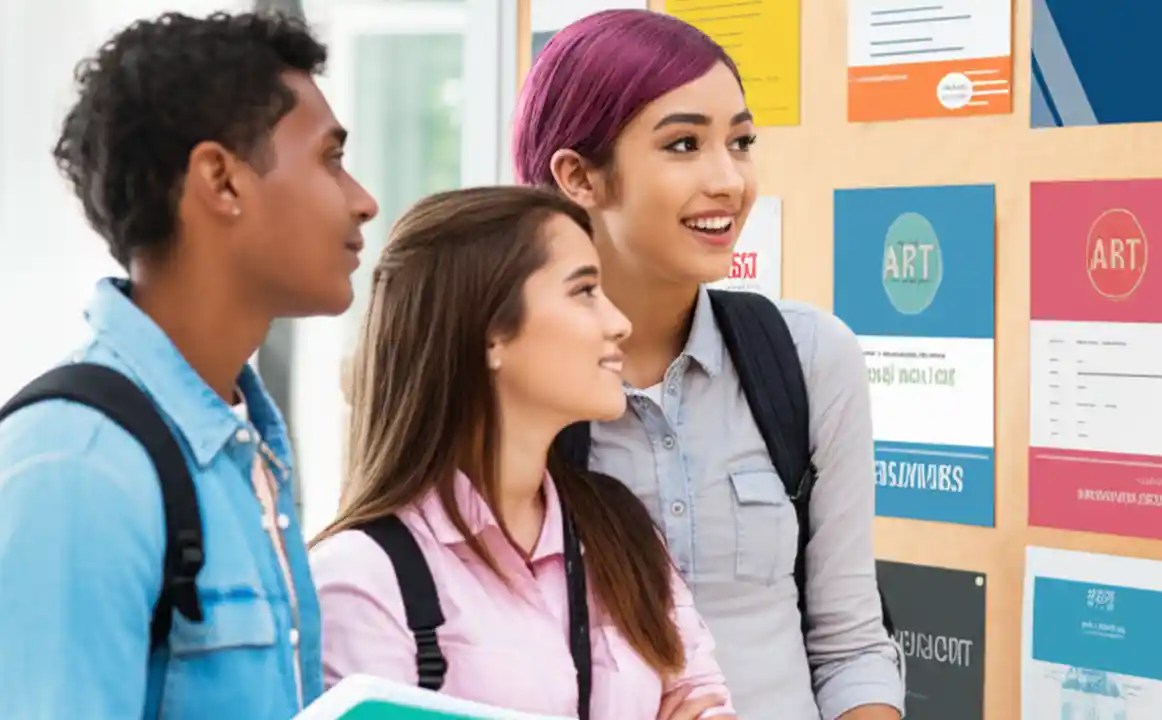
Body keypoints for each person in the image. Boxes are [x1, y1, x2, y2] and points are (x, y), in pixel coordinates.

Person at [512, 9, 905, 720]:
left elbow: (850, 644)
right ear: (578, 176)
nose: (729, 180)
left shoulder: (809, 357)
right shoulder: (509, 383)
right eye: (685, 144)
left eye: (742, 142)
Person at [0, 11, 377, 719]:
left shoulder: (245, 446)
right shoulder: (77, 468)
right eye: (330, 158)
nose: (363, 200)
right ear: (221, 180)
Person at [308, 186, 736, 720]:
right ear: (490, 333)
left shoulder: (623, 533)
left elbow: (702, 701)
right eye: (584, 291)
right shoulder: (362, 580)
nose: (618, 322)